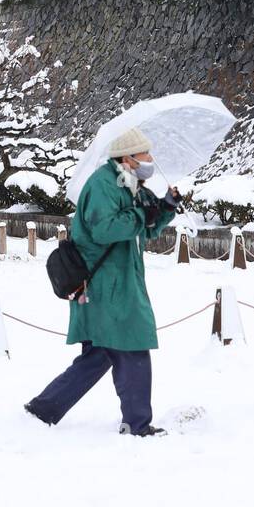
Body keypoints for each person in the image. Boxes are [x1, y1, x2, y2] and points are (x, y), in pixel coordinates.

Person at [24, 127, 184, 437]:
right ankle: (137, 425)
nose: (151, 159)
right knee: (132, 347)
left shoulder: (131, 184)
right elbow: (105, 229)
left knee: (98, 355)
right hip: (106, 287)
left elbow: (145, 228)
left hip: (117, 282)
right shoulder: (103, 185)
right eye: (145, 154)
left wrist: (164, 207)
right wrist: (142, 213)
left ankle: (44, 408)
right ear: (128, 158)